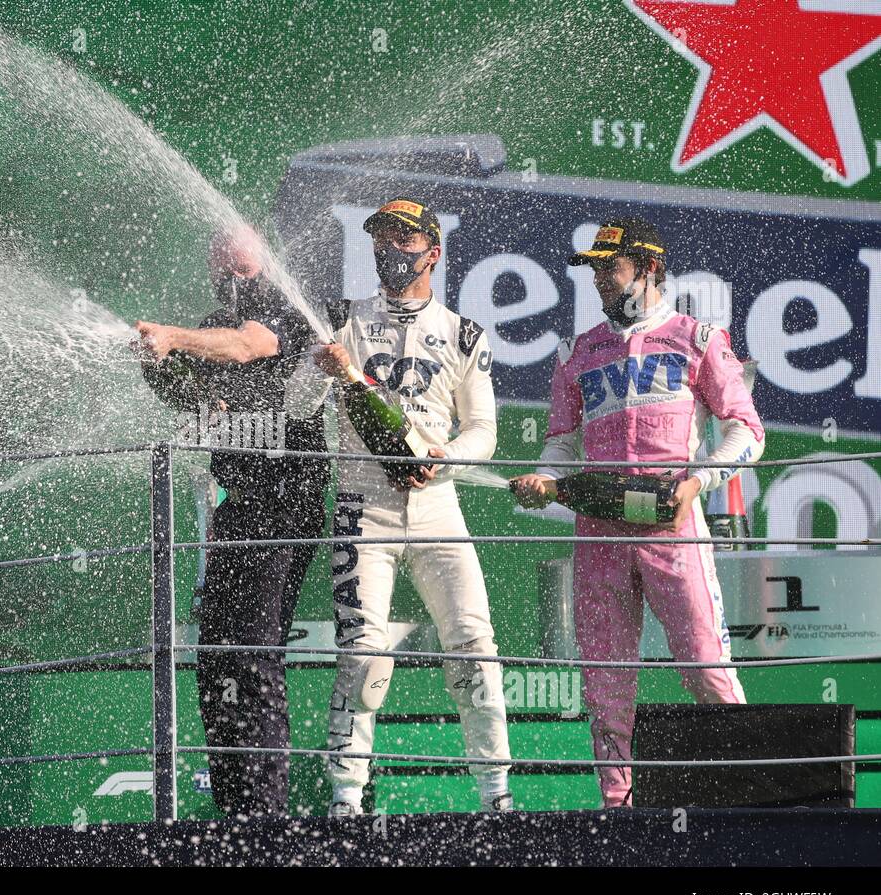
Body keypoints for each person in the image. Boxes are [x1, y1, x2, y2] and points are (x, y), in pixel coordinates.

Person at [511, 217, 764, 807]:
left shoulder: (698, 338)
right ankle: (617, 809)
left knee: (706, 667)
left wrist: (697, 481)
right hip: (598, 532)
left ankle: (756, 801)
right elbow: (561, 443)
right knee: (604, 683)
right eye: (594, 268)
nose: (599, 279)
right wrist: (545, 478)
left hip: (672, 528)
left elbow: (747, 432)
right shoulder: (579, 351)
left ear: (648, 268)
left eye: (611, 267)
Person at [287, 197, 512, 816]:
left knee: (474, 644)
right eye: (381, 237)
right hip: (364, 507)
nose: (390, 248)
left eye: (403, 238)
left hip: (439, 507)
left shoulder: (465, 332)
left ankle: (498, 796)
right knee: (362, 653)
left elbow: (484, 431)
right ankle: (346, 802)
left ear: (432, 252)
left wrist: (447, 457)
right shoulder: (341, 318)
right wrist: (321, 371)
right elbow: (298, 409)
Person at [136, 225, 328, 818]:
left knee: (252, 653)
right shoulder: (215, 321)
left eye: (242, 269)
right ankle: (233, 808)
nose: (234, 280)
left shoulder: (281, 305)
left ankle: (263, 816)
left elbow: (249, 346)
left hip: (281, 503)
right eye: (225, 270)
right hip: (235, 505)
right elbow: (193, 398)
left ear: (260, 264)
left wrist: (173, 336)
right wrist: (157, 364)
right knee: (217, 655)